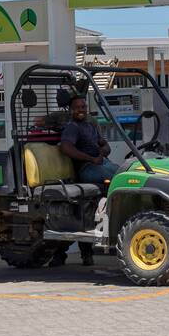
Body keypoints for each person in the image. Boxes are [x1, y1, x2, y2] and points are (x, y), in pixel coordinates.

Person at [51, 95, 117, 266]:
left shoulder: (90, 125)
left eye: (83, 107)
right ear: (71, 110)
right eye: (78, 107)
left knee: (123, 171)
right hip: (87, 169)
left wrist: (102, 152)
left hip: (101, 164)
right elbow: (65, 147)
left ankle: (87, 249)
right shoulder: (72, 128)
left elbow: (105, 145)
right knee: (119, 178)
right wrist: (90, 158)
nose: (81, 110)